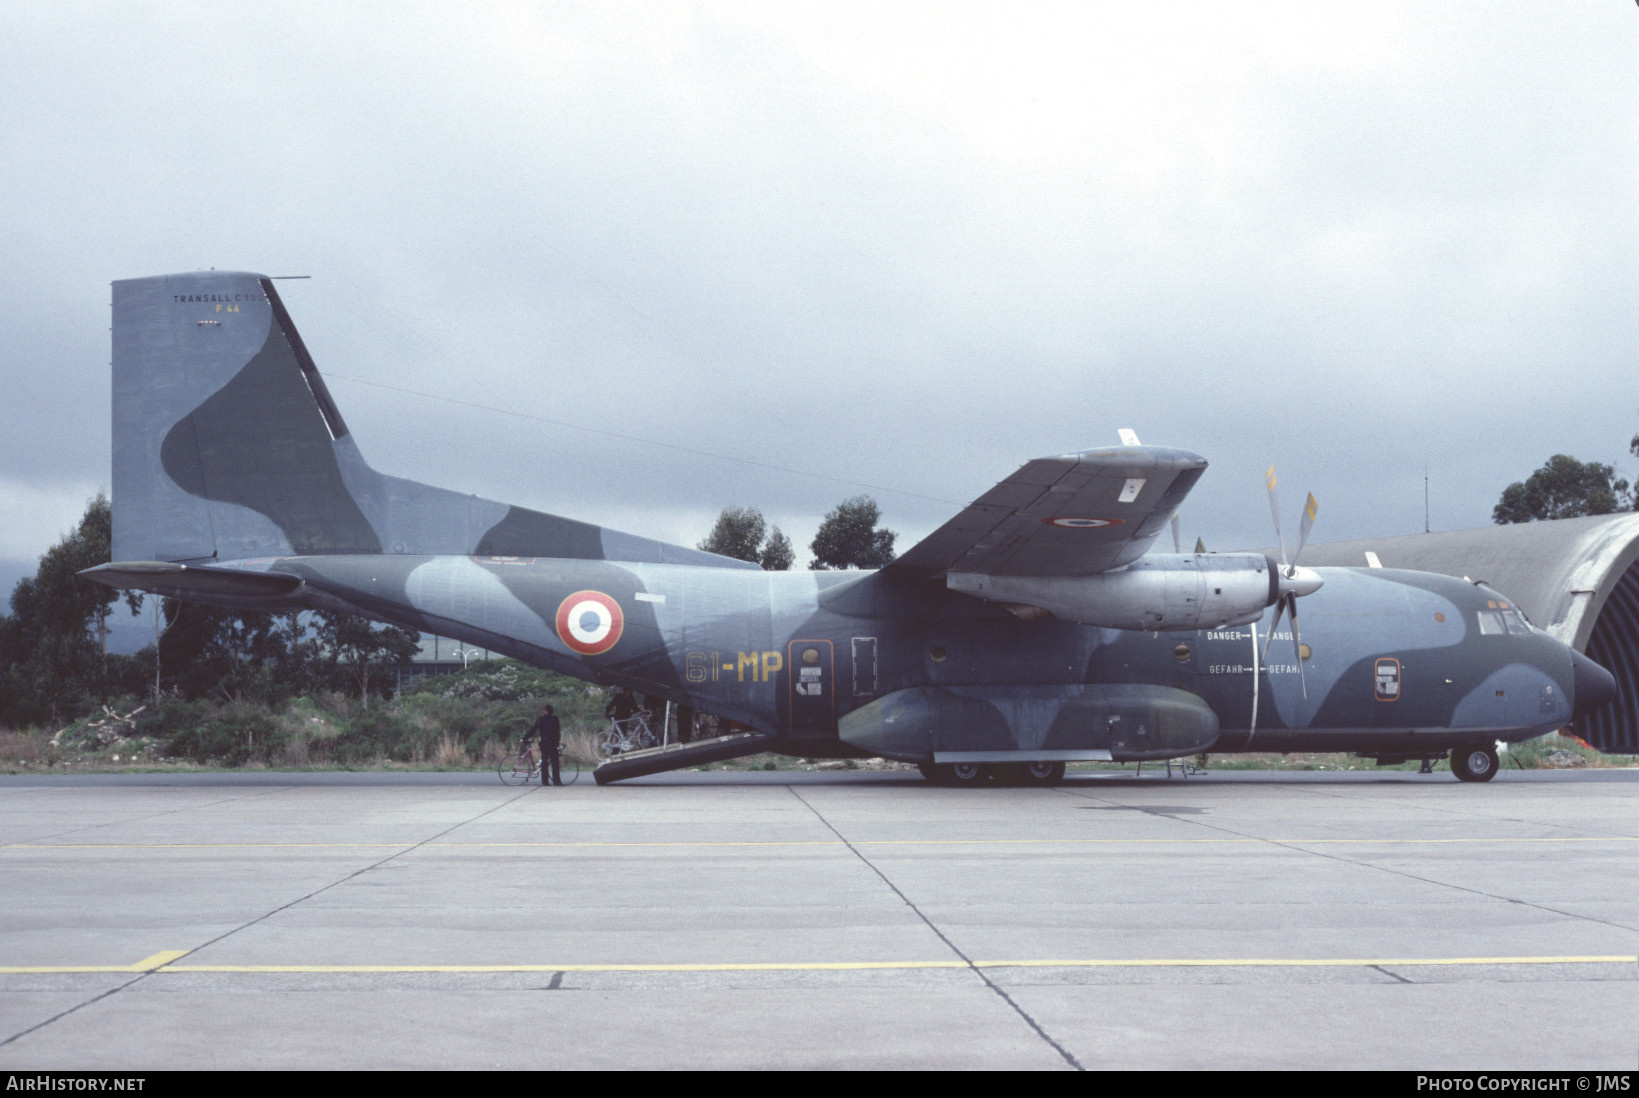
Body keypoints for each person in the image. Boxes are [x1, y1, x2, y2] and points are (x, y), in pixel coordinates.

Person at [523, 704, 562, 785]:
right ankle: (556, 781)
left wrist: (524, 738)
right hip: (552, 743)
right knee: (555, 763)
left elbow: (533, 730)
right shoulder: (555, 719)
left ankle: (545, 782)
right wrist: (557, 742)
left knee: (544, 762)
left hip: (544, 743)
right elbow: (557, 732)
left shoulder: (540, 719)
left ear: (546, 711)